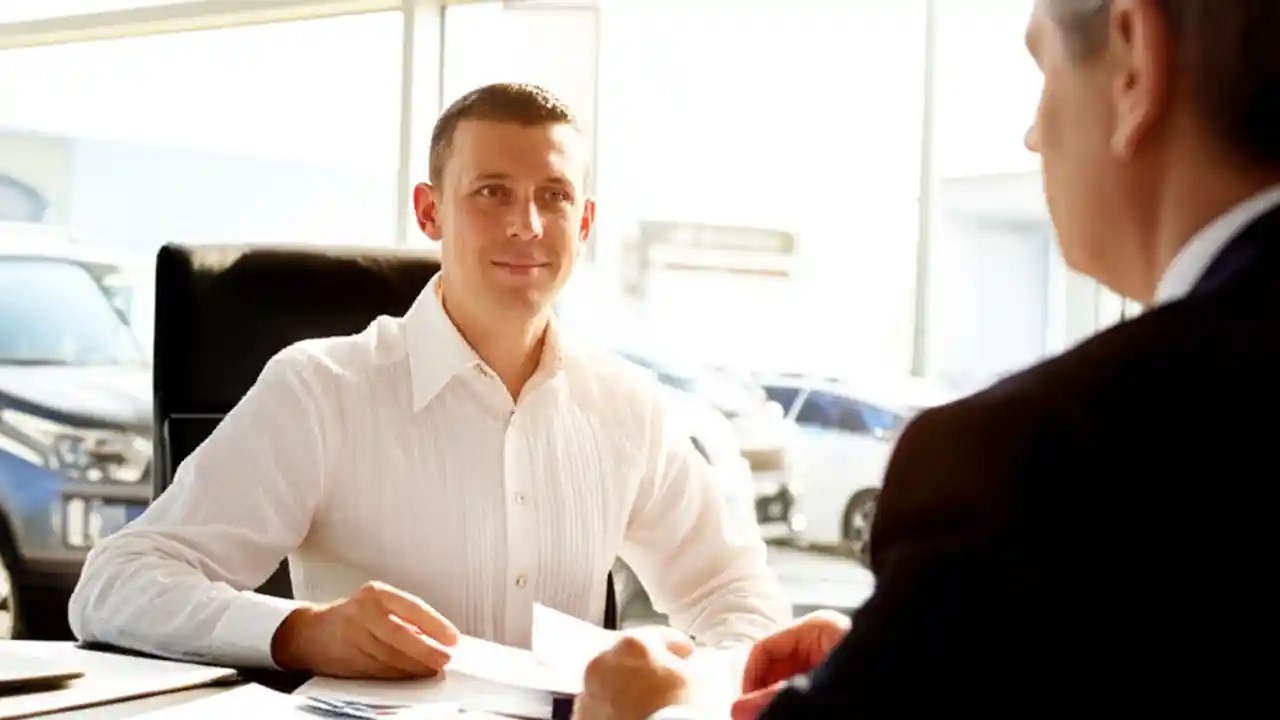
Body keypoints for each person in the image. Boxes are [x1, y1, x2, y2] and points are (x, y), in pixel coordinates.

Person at [574, 0, 1280, 716]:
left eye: (1042, 69)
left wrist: (650, 713)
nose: (1033, 135)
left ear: (1132, 61)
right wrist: (904, 657)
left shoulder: (1039, 461)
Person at [68, 82, 790, 678]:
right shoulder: (321, 391)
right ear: (429, 210)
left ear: (587, 221)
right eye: (492, 192)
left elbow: (739, 601)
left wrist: (689, 673)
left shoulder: (629, 408)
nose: (527, 224)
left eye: (556, 196)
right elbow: (115, 583)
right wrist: (299, 631)